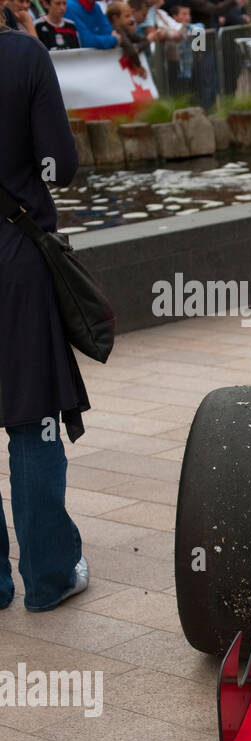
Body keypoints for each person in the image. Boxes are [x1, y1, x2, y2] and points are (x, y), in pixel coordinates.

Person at [0, 21, 92, 613]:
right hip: (15, 260)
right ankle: (49, 576)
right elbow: (61, 162)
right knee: (32, 420)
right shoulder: (24, 54)